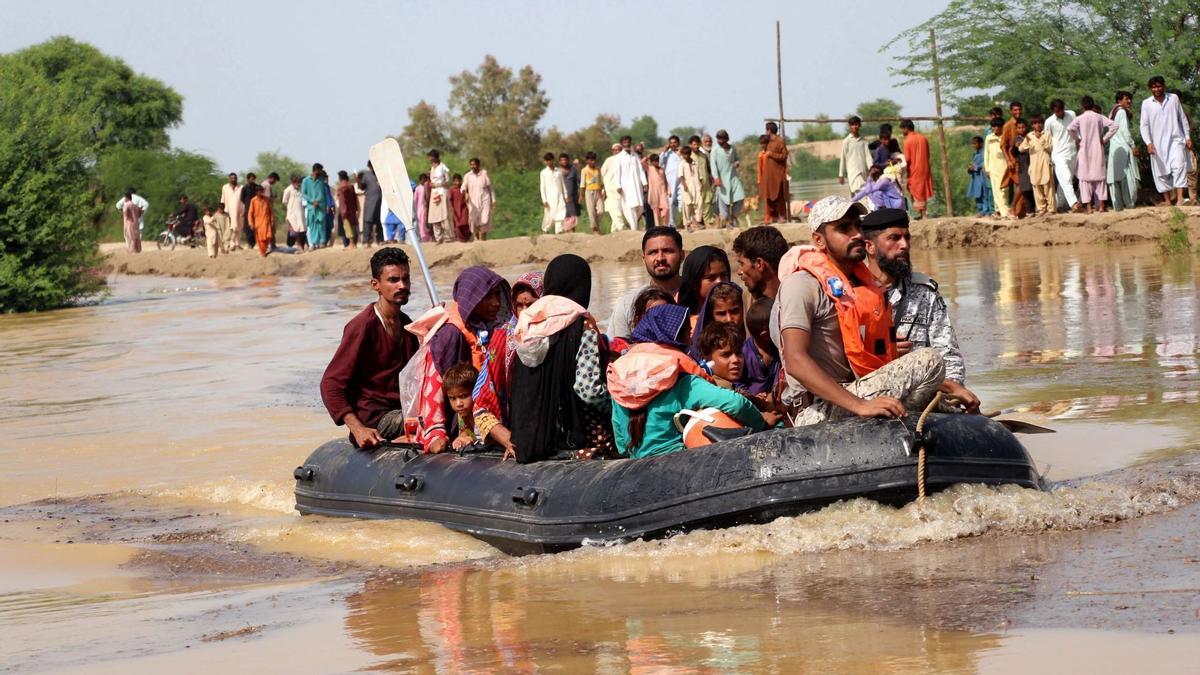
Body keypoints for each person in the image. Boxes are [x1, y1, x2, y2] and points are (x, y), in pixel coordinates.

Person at [772, 196, 946, 426]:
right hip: (816, 409)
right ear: (819, 240)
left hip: (856, 392)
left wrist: (947, 389)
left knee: (944, 398)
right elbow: (795, 360)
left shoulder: (860, 283)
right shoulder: (802, 285)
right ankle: (900, 426)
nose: (856, 234)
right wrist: (859, 405)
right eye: (844, 228)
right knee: (930, 361)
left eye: (858, 226)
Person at [860, 207, 981, 412]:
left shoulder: (925, 292)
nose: (904, 245)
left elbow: (948, 354)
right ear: (869, 247)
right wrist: (886, 355)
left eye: (907, 238)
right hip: (872, 399)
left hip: (926, 397)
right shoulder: (851, 296)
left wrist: (954, 390)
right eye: (894, 238)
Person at [608, 304, 767, 458]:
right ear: (674, 338)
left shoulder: (619, 383)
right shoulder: (682, 381)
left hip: (635, 469)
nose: (690, 342)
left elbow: (621, 445)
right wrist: (763, 425)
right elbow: (736, 404)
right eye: (686, 335)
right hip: (677, 463)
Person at [508, 254, 614, 461]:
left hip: (537, 439)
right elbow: (587, 389)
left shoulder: (527, 323)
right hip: (582, 439)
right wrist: (615, 406)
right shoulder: (581, 324)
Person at [320, 247, 419, 447]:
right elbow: (330, 384)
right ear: (376, 285)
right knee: (428, 421)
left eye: (405, 279)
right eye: (393, 280)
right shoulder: (362, 326)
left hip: (403, 411)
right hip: (375, 420)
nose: (402, 285)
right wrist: (358, 429)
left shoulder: (408, 325)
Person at [415, 267, 512, 454]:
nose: (496, 303)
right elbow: (434, 383)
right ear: (472, 299)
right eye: (488, 297)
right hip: (459, 419)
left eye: (498, 296)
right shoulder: (450, 334)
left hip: (482, 414)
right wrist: (437, 433)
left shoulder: (484, 328)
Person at [607, 226, 683, 340]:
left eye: (667, 251)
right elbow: (616, 350)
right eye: (653, 252)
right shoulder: (628, 304)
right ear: (644, 259)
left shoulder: (697, 296)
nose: (660, 258)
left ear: (681, 255)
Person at [1140, 76, 1193, 206]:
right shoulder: (1146, 103)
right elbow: (1144, 125)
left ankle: (1180, 199)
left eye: (1159, 86)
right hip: (1157, 144)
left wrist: (1187, 137)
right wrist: (1148, 143)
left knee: (1179, 166)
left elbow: (1182, 119)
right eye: (1153, 87)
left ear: (1164, 86)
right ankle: (1168, 200)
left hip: (1176, 140)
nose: (1156, 89)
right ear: (1150, 88)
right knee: (1161, 172)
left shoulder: (1173, 99)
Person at [444, 363, 516, 460]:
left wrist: (511, 444)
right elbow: (466, 430)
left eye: (464, 396)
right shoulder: (462, 412)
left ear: (475, 391)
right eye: (452, 398)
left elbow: (497, 433)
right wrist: (462, 438)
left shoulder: (479, 410)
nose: (458, 404)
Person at [1068, 96, 1118, 214]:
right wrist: (1104, 139)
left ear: (1082, 106)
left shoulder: (1080, 118)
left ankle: (1089, 208)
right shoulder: (1099, 117)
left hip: (1084, 149)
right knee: (1100, 178)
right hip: (1097, 149)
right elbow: (1115, 126)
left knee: (1085, 179)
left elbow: (1070, 129)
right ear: (1092, 104)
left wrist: (1078, 139)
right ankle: (1101, 206)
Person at [686, 280, 743, 361]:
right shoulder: (697, 354)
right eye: (721, 314)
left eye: (734, 311)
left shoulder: (754, 345)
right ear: (711, 315)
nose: (729, 319)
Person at [732, 225, 788, 299]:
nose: (739, 271)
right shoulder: (747, 301)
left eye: (742, 264)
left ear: (759, 264)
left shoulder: (793, 302)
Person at [678, 245, 731, 324]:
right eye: (711, 278)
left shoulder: (739, 314)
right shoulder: (682, 322)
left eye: (724, 275)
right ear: (694, 282)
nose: (719, 282)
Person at [1108, 91, 1141, 212]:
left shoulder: (1113, 112)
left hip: (1114, 148)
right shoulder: (1121, 112)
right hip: (1123, 146)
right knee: (1128, 176)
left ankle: (1118, 205)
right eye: (1126, 99)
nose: (1129, 101)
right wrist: (1133, 145)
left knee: (1116, 177)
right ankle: (1130, 203)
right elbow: (1125, 132)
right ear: (1119, 100)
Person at [1046, 100, 1080, 212]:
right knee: (1065, 177)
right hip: (1058, 154)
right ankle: (1074, 203)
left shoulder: (1071, 114)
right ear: (1053, 111)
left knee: (1066, 180)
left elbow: (1077, 129)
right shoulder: (1049, 122)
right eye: (1057, 111)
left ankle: (1058, 204)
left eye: (1061, 110)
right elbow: (1047, 139)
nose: (1060, 113)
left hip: (1072, 151)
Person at [711, 129, 746, 229]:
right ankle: (727, 221)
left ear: (726, 139)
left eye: (722, 138)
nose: (720, 140)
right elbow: (713, 165)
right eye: (718, 138)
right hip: (722, 179)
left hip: (733, 177)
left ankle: (734, 216)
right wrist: (716, 178)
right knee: (724, 201)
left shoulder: (732, 148)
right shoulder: (715, 150)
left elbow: (736, 159)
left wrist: (737, 162)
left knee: (740, 197)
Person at [1020, 116, 1055, 216]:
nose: (1038, 125)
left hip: (1045, 163)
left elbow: (1050, 148)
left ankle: (1051, 209)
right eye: (1035, 123)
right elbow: (1021, 149)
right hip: (1034, 165)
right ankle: (1041, 209)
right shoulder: (1029, 136)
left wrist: (1043, 142)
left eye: (1039, 123)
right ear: (1032, 125)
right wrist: (1028, 145)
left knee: (1048, 186)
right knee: (1036, 186)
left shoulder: (1047, 134)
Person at [899, 120, 933, 219]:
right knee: (922, 190)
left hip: (914, 169)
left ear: (906, 128)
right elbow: (928, 154)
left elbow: (907, 159)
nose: (902, 131)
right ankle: (923, 213)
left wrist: (900, 164)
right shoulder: (923, 138)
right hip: (925, 167)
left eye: (902, 129)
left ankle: (923, 215)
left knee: (916, 190)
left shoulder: (908, 141)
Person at [698, 322, 746, 388]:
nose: (735, 360)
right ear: (707, 358)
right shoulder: (715, 393)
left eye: (738, 353)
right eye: (726, 355)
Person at [761, 122, 790, 223]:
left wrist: (772, 154)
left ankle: (782, 216)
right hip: (768, 174)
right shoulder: (767, 141)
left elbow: (784, 155)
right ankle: (771, 217)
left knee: (779, 195)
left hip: (778, 173)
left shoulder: (779, 141)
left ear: (769, 130)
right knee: (769, 195)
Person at [617, 135, 648, 228]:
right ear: (622, 144)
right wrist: (618, 185)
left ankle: (633, 225)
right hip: (625, 186)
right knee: (629, 207)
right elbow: (617, 172)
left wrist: (644, 182)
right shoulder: (619, 157)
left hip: (637, 185)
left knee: (640, 207)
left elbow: (641, 170)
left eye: (628, 142)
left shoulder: (635, 156)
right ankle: (634, 228)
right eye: (625, 142)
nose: (627, 143)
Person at [462, 158, 496, 240]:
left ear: (478, 165)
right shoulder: (467, 176)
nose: (473, 166)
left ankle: (482, 239)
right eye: (471, 164)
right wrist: (466, 193)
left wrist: (494, 200)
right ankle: (478, 238)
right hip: (472, 202)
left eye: (474, 164)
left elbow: (490, 188)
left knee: (484, 220)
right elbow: (463, 187)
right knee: (474, 221)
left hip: (485, 200)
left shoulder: (484, 174)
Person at [983, 118, 1010, 219]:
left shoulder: (1005, 137)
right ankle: (1002, 212)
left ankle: (1001, 210)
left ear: (1001, 127)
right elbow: (986, 153)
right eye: (993, 126)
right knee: (996, 190)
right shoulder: (989, 138)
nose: (994, 128)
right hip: (993, 168)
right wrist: (987, 168)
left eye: (996, 126)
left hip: (1004, 166)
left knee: (1004, 190)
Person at [839, 116, 872, 194]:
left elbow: (868, 157)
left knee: (863, 193)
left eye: (856, 124)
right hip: (853, 172)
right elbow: (843, 158)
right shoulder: (846, 141)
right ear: (850, 126)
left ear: (859, 125)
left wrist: (871, 168)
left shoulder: (864, 141)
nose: (855, 127)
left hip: (864, 171)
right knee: (857, 190)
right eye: (853, 125)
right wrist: (841, 174)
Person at [1009, 118, 1035, 218]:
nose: (1022, 129)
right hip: (1022, 164)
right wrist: (1016, 148)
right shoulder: (1016, 139)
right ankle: (1013, 207)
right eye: (1019, 128)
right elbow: (1012, 152)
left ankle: (1031, 210)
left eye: (1023, 127)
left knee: (1031, 187)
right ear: (1017, 129)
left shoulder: (1030, 136)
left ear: (1026, 127)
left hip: (1032, 163)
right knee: (1023, 186)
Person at [600, 143, 628, 231]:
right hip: (610, 189)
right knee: (615, 210)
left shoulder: (625, 160)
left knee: (619, 210)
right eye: (615, 150)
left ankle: (614, 232)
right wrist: (602, 189)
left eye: (618, 150)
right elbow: (601, 174)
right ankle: (621, 228)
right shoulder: (609, 160)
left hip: (622, 190)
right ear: (612, 151)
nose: (617, 152)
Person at [301, 163, 328, 248]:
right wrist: (312, 201)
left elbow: (324, 194)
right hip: (311, 207)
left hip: (321, 206)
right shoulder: (306, 180)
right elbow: (303, 193)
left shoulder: (321, 181)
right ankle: (314, 243)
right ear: (315, 170)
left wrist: (326, 205)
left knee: (321, 224)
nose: (321, 172)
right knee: (312, 225)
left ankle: (322, 242)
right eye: (320, 170)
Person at [427, 150, 451, 243]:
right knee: (434, 215)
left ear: (435, 157)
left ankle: (447, 237)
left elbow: (447, 180)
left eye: (431, 156)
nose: (429, 158)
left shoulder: (443, 167)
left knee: (444, 214)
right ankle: (438, 237)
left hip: (442, 192)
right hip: (434, 193)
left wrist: (439, 185)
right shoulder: (432, 168)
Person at [539, 152, 567, 234]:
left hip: (560, 196)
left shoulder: (558, 171)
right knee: (549, 215)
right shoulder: (543, 173)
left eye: (550, 160)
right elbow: (542, 187)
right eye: (547, 161)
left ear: (553, 160)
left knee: (561, 213)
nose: (549, 162)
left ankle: (558, 231)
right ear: (545, 162)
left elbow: (563, 184)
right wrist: (544, 200)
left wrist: (565, 195)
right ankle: (545, 230)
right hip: (549, 198)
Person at [691, 135, 715, 228]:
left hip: (706, 183)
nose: (696, 146)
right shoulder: (689, 156)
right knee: (697, 203)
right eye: (694, 144)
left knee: (708, 202)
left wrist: (710, 178)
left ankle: (708, 222)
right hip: (695, 185)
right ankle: (697, 222)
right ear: (691, 145)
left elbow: (708, 169)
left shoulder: (703, 156)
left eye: (697, 144)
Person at [966, 136, 993, 216]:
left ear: (981, 143)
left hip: (982, 176)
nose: (973, 145)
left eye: (975, 143)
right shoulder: (975, 154)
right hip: (976, 177)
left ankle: (986, 210)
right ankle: (980, 210)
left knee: (984, 193)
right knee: (977, 193)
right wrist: (970, 168)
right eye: (972, 144)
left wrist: (976, 167)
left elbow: (985, 163)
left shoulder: (984, 153)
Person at [679, 146, 703, 231]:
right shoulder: (682, 164)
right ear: (682, 155)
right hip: (687, 187)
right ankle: (687, 224)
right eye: (684, 154)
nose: (686, 156)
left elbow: (700, 176)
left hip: (696, 186)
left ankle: (697, 221)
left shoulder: (695, 163)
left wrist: (701, 184)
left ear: (690, 154)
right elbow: (681, 176)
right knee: (687, 205)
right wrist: (684, 185)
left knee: (699, 203)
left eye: (687, 154)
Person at [661, 135, 683, 227]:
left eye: (675, 143)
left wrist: (680, 154)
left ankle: (683, 222)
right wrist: (664, 151)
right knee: (671, 202)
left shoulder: (681, 153)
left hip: (682, 180)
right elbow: (660, 162)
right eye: (671, 143)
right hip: (670, 180)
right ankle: (671, 224)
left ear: (678, 143)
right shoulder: (666, 154)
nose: (673, 144)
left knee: (682, 201)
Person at [247, 185, 275, 257]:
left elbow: (271, 211)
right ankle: (263, 252)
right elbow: (250, 213)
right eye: (259, 191)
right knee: (261, 239)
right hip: (258, 223)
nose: (261, 192)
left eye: (262, 191)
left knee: (268, 236)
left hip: (267, 221)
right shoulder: (253, 200)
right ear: (256, 192)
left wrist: (272, 220)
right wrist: (251, 223)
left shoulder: (267, 200)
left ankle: (264, 250)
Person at [580, 152, 603, 234]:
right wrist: (581, 196)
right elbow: (582, 184)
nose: (593, 162)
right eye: (591, 160)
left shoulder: (598, 170)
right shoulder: (584, 170)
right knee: (591, 211)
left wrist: (603, 191)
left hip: (598, 191)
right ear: (587, 161)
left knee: (601, 211)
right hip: (589, 192)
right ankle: (594, 229)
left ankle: (597, 225)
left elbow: (601, 182)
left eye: (594, 160)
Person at [361, 161, 383, 246]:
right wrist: (358, 181)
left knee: (378, 221)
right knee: (368, 220)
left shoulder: (380, 174)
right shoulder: (366, 175)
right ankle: (366, 241)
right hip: (370, 201)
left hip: (379, 202)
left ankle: (380, 240)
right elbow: (362, 187)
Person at [282, 175, 307, 250]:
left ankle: (301, 246)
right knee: (295, 230)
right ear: (292, 182)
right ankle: (298, 245)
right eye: (297, 182)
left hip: (301, 214)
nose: (298, 184)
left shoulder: (301, 189)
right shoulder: (288, 190)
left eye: (299, 182)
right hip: (292, 214)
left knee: (301, 230)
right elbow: (284, 201)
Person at [219, 173, 243, 251]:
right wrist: (221, 210)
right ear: (229, 178)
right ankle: (232, 244)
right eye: (232, 178)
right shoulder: (225, 187)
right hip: (228, 210)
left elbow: (243, 200)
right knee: (232, 227)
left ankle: (237, 244)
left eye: (235, 178)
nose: (233, 179)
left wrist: (244, 210)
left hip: (239, 210)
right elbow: (222, 199)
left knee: (239, 227)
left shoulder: (241, 187)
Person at [646, 153, 671, 226]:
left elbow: (665, 181)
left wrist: (668, 190)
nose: (656, 162)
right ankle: (658, 226)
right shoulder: (649, 169)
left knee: (666, 209)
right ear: (651, 161)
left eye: (657, 160)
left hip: (663, 192)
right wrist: (648, 157)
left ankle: (665, 225)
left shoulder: (661, 169)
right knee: (655, 211)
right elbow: (642, 162)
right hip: (653, 193)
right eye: (654, 161)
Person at [337, 170, 360, 248]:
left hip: (345, 210)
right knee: (352, 226)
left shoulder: (341, 188)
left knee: (348, 227)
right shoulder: (351, 186)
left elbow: (343, 199)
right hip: (352, 209)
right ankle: (353, 244)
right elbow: (354, 198)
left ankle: (351, 243)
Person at [559, 153, 580, 233]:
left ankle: (572, 234)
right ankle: (565, 233)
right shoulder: (557, 171)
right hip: (562, 198)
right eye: (562, 160)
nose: (564, 161)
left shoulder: (573, 169)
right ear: (559, 162)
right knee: (564, 215)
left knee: (572, 215)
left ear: (568, 160)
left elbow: (579, 180)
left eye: (565, 160)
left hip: (573, 197)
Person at [239, 172, 260, 248]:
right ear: (247, 179)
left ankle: (257, 242)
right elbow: (242, 199)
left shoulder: (257, 187)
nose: (252, 180)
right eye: (251, 179)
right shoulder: (244, 188)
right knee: (248, 227)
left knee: (257, 226)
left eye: (253, 179)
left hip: (257, 210)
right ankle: (250, 243)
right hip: (248, 209)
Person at [449, 174, 470, 242]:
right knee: (458, 225)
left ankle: (467, 238)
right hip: (455, 209)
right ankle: (460, 239)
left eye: (458, 181)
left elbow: (467, 196)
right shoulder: (452, 189)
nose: (457, 183)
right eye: (455, 181)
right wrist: (451, 208)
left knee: (465, 223)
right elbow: (450, 199)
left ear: (461, 181)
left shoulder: (463, 188)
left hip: (463, 208)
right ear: (453, 182)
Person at [414, 173, 431, 242]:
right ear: (420, 180)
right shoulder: (418, 188)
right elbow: (415, 200)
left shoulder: (428, 187)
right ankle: (423, 237)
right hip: (420, 209)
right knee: (422, 223)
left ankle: (429, 237)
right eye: (423, 179)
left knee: (428, 222)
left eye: (425, 179)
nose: (424, 181)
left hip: (427, 208)